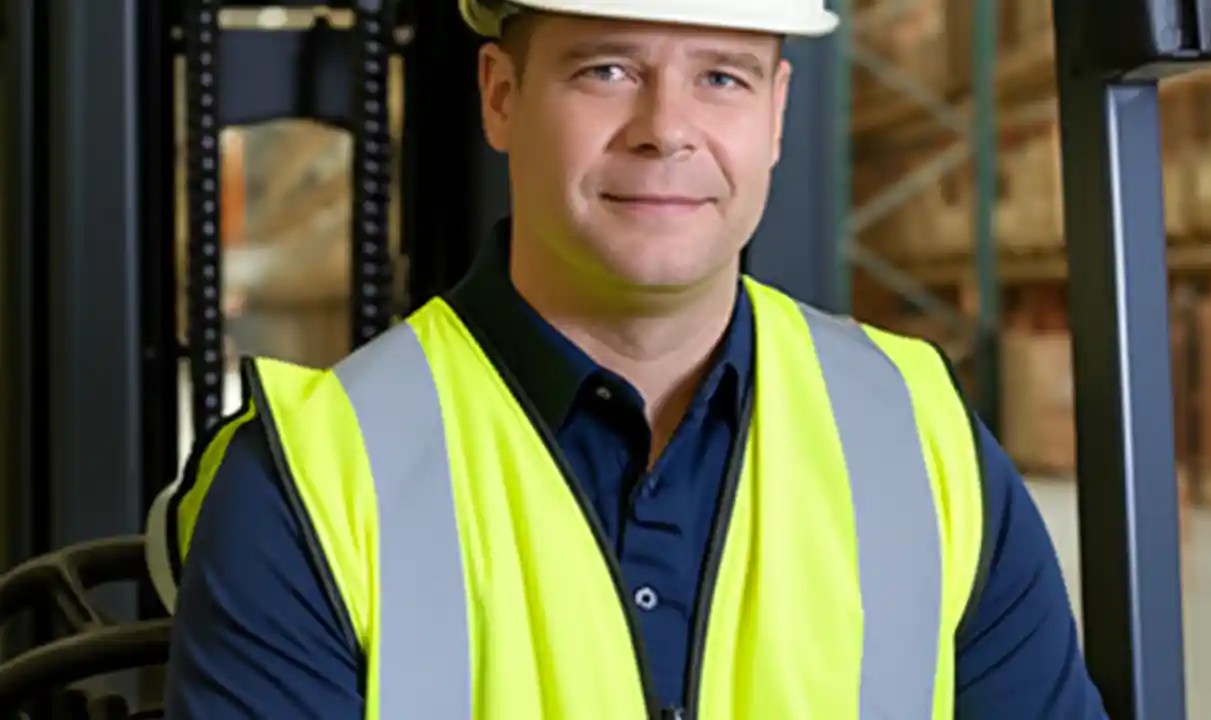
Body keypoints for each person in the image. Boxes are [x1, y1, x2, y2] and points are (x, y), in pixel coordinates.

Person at [156, 0, 1107, 717]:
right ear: (500, 95)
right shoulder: (311, 482)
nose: (666, 126)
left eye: (722, 77)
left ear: (777, 115)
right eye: (607, 69)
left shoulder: (922, 437)